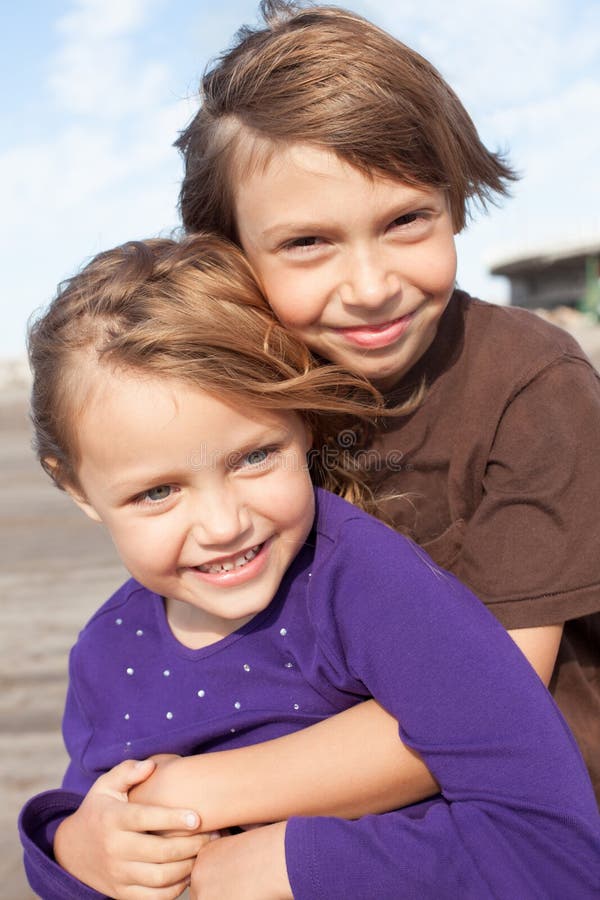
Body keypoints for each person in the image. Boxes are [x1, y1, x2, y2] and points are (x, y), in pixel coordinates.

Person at [18, 235, 600, 899]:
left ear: (304, 425)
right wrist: (71, 849)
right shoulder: (105, 652)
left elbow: (554, 850)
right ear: (78, 489)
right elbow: (100, 816)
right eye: (157, 492)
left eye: (255, 457)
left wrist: (287, 863)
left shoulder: (365, 585)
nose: (223, 526)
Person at [174, 0, 600, 808]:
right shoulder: (233, 397)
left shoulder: (532, 385)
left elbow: (496, 710)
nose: (371, 288)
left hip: (521, 811)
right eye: (308, 242)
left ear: (456, 204)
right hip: (309, 776)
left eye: (406, 221)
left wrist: (185, 801)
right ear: (227, 251)